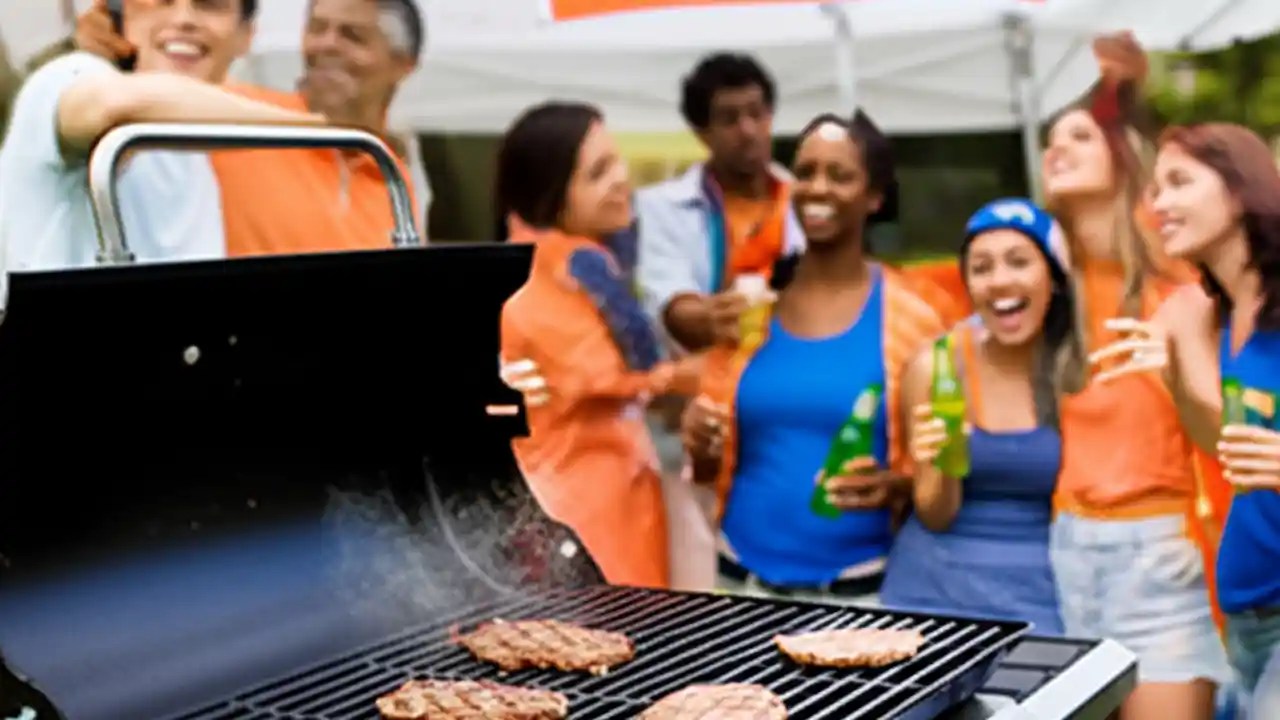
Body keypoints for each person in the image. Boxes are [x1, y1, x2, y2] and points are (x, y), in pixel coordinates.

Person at [680, 112, 944, 602]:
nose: (817, 187)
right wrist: (699, 443)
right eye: (806, 172)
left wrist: (901, 487)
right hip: (739, 585)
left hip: (864, 593)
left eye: (840, 175)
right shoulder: (750, 305)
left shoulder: (914, 318)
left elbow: (944, 464)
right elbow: (711, 462)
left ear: (875, 196)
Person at [1043, 32, 1231, 718]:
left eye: (1079, 137)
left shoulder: (1170, 268)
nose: (1055, 148)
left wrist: (1122, 96)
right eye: (1050, 139)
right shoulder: (1049, 278)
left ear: (1121, 159)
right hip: (1067, 551)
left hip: (1158, 557)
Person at [1091, 122, 1280, 719]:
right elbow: (1219, 446)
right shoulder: (1208, 316)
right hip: (1247, 617)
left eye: (1178, 182)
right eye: (1155, 188)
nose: (1158, 204)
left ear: (1240, 187)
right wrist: (1179, 364)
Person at [497, 101, 704, 589]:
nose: (620, 180)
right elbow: (596, 376)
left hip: (598, 498)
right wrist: (704, 370)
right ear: (551, 192)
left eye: (616, 162)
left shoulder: (579, 261)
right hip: (580, 511)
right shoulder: (549, 271)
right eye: (597, 172)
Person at [0, 0, 321, 283]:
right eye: (160, 1)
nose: (183, 19)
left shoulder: (199, 150)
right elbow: (115, 105)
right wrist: (317, 129)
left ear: (246, 35)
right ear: (118, 13)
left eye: (209, 4)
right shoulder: (68, 76)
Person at [72, 0, 426, 255]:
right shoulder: (239, 111)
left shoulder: (392, 171)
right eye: (317, 29)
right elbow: (146, 90)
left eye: (353, 35)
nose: (326, 45)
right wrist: (110, 47)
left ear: (403, 64)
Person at [879, 198, 1082, 633]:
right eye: (982, 267)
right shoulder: (938, 366)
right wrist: (942, 461)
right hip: (930, 598)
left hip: (1047, 600)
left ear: (1055, 278)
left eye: (1018, 262)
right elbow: (935, 514)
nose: (999, 281)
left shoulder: (1081, 370)